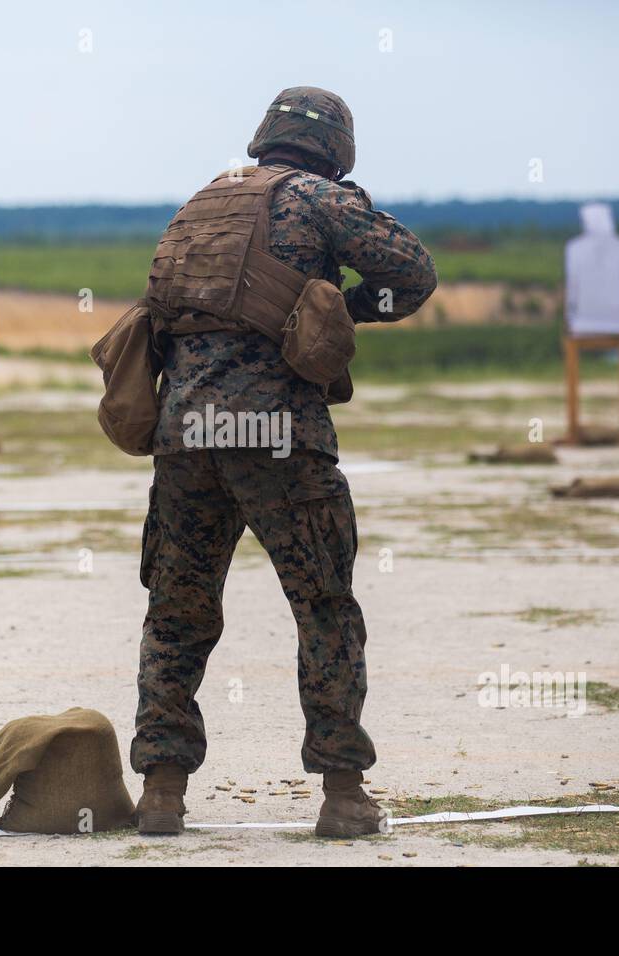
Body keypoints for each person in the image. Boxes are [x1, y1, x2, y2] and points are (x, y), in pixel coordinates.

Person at [131, 87, 437, 837]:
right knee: (324, 606)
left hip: (184, 435)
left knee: (177, 611)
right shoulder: (322, 200)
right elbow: (414, 275)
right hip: (278, 435)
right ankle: (342, 794)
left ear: (266, 135)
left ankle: (162, 793)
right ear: (336, 148)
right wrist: (344, 306)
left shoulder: (203, 201)